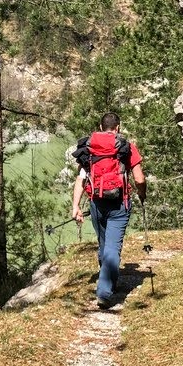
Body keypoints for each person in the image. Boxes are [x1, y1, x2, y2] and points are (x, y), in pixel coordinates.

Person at [71, 112, 147, 309]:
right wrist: (142, 194)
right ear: (118, 128)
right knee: (112, 247)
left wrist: (76, 206)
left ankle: (109, 281)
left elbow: (81, 179)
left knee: (104, 245)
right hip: (119, 204)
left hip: (96, 203)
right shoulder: (126, 147)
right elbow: (139, 179)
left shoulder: (90, 147)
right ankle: (104, 292)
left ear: (100, 126)